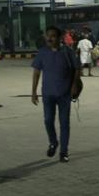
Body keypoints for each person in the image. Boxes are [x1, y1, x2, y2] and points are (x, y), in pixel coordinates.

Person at [31, 25, 81, 163]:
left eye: (53, 36)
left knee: (64, 123)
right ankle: (53, 142)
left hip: (65, 93)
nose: (50, 38)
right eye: (48, 36)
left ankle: (63, 152)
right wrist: (33, 92)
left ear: (59, 38)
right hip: (48, 94)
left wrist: (74, 85)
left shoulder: (67, 52)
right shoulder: (42, 53)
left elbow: (77, 69)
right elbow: (36, 72)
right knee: (48, 120)